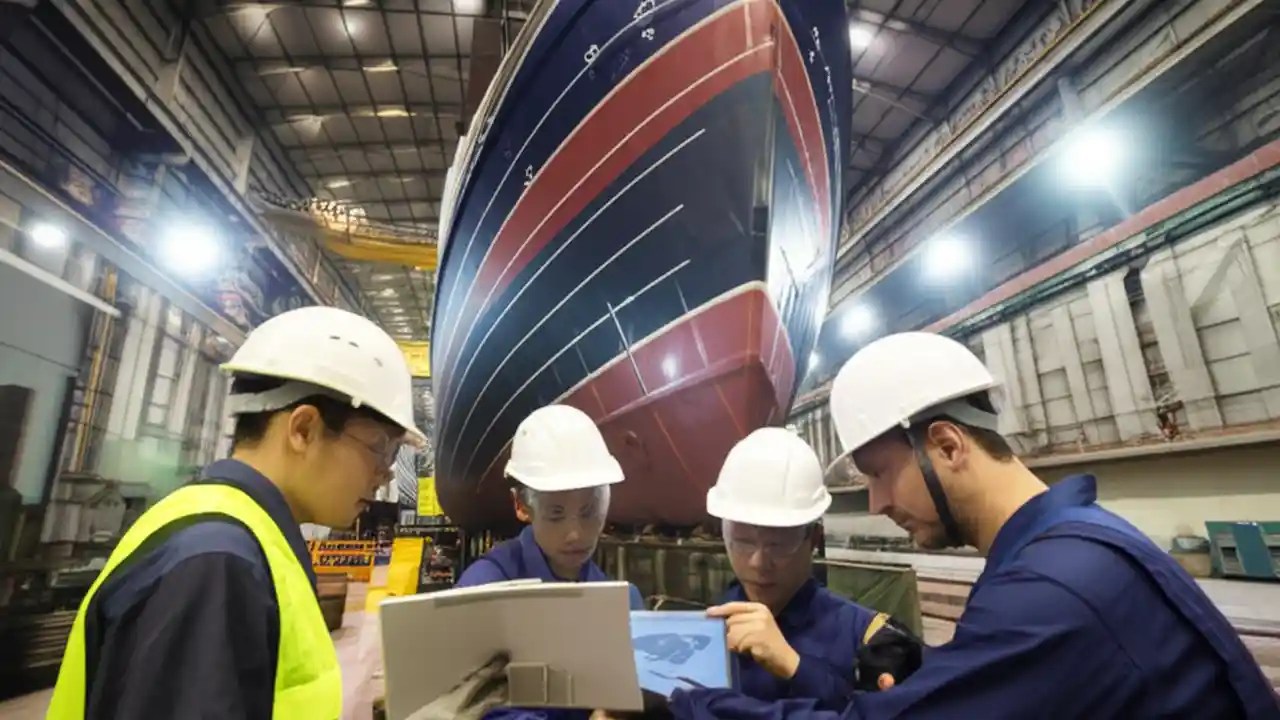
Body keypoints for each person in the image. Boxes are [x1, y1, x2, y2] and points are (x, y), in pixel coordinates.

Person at [672, 331, 1280, 719]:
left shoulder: (1051, 592)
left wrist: (689, 705)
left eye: (879, 473)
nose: (877, 501)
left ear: (947, 444)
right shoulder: (1071, 548)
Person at [46, 306, 495, 720]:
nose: (383, 475)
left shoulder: (243, 538)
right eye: (379, 448)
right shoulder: (215, 562)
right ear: (303, 429)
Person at [455, 403, 646, 718]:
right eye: (556, 514)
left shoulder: (623, 601)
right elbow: (465, 707)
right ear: (521, 505)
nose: (575, 533)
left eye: (589, 512)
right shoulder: (483, 591)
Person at [702, 427, 910, 710]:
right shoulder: (704, 630)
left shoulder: (866, 637)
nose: (758, 562)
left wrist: (794, 666)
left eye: (778, 545)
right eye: (742, 543)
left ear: (814, 539)